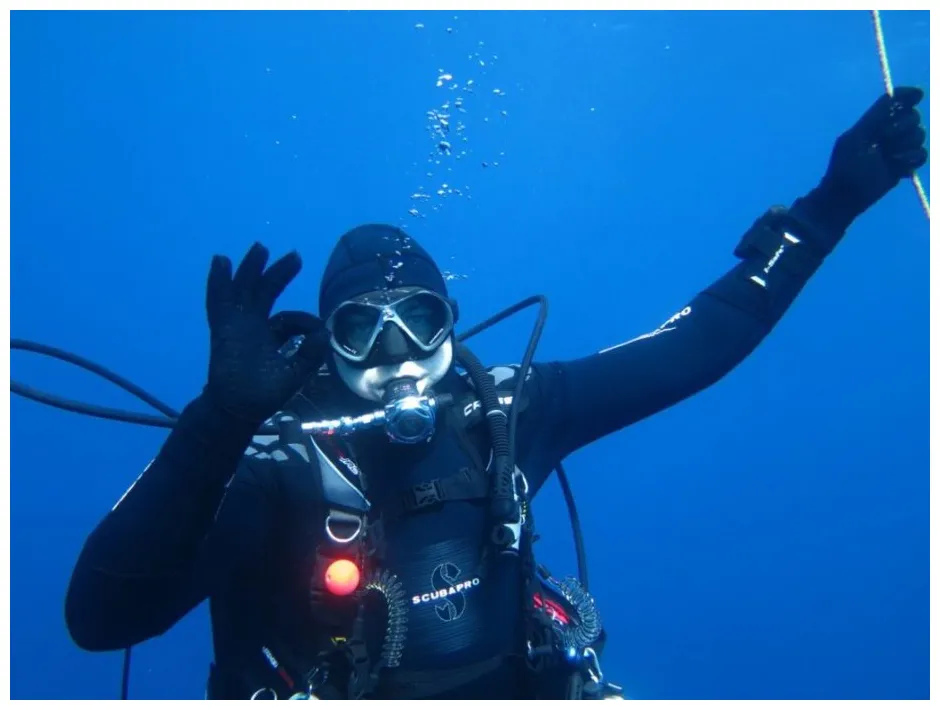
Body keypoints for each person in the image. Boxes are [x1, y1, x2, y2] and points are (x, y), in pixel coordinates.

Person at [64, 88, 928, 700]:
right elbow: (101, 619)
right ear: (326, 345)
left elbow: (696, 347)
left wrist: (829, 209)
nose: (398, 354)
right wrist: (217, 422)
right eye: (364, 329)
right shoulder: (276, 462)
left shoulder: (506, 413)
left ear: (453, 325)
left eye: (422, 321)